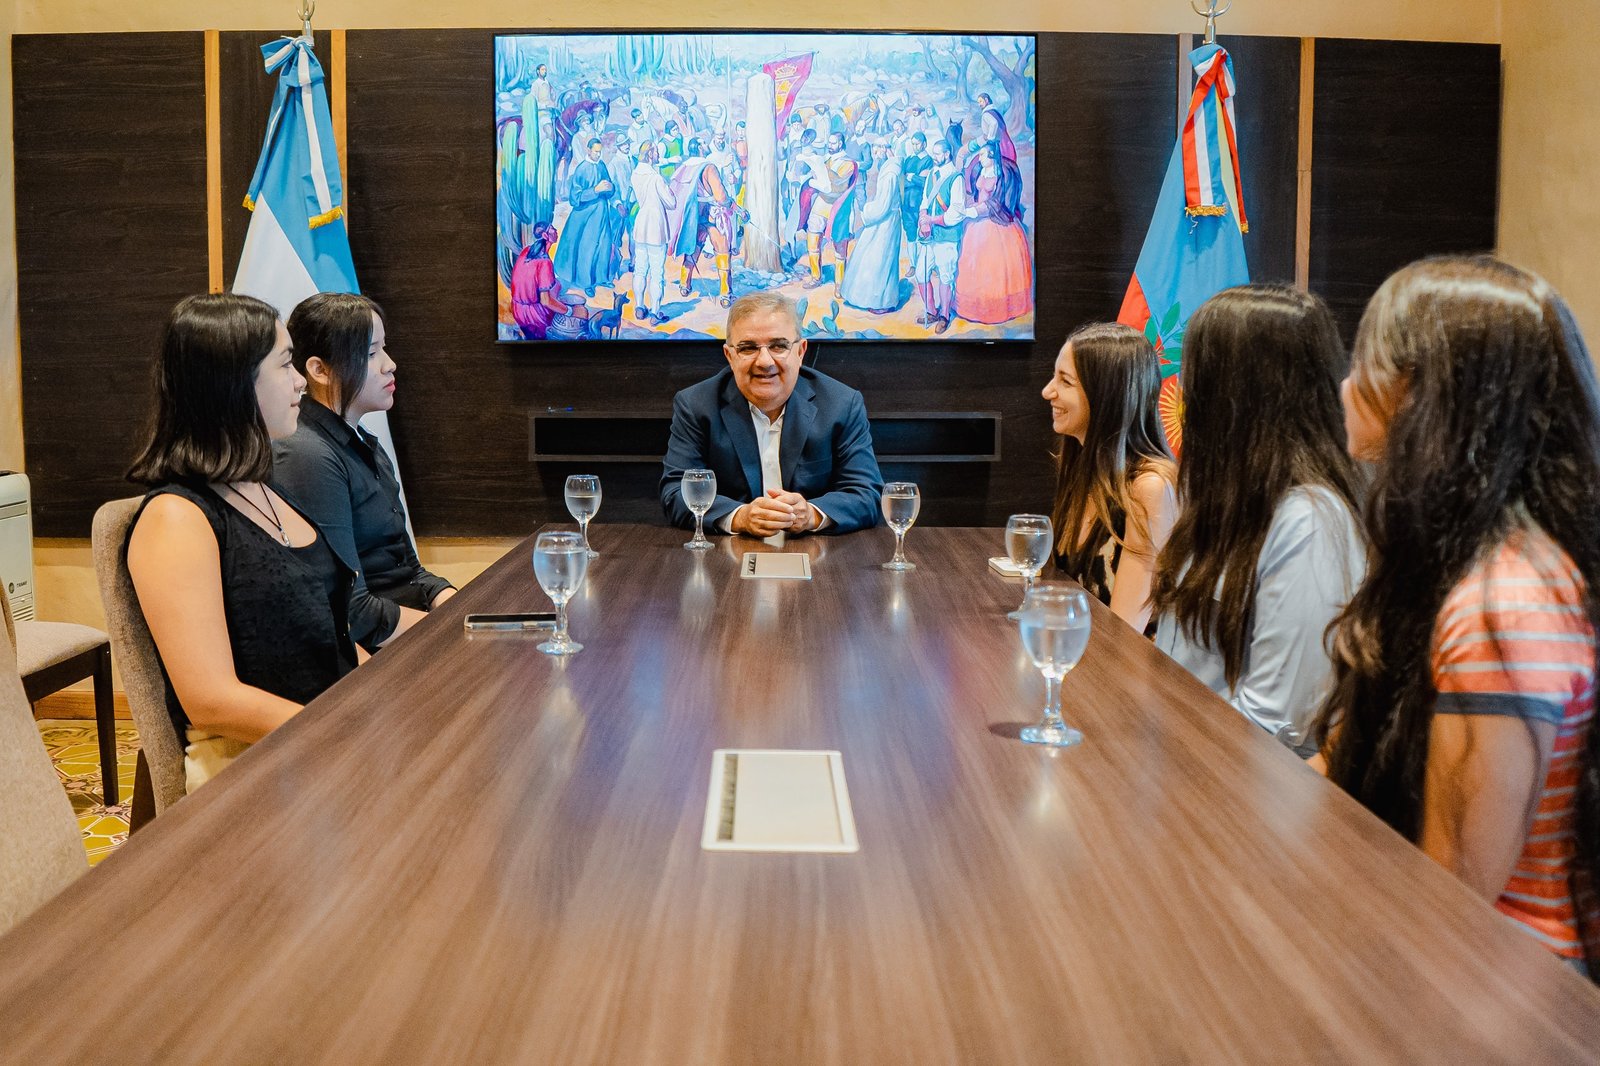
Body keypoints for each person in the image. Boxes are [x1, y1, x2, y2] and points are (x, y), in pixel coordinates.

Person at [1311, 256, 1600, 975]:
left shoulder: (1502, 607)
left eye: (1364, 363)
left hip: (1507, 991)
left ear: (1424, 395)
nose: (1344, 386)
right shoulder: (1478, 560)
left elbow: (1451, 901)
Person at [125, 293, 357, 793]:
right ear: (233, 384)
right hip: (253, 771)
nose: (301, 381)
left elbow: (328, 636)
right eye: (285, 364)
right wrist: (342, 731)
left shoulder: (261, 489)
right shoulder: (175, 519)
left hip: (320, 745)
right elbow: (210, 700)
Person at [1150, 286, 1365, 754]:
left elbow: (1276, 719)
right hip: (1180, 757)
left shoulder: (1309, 521)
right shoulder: (1226, 499)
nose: (1180, 391)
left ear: (1235, 395)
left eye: (1194, 374)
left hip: (1236, 782)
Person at [273, 292, 455, 655]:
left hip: (407, 627)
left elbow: (407, 568)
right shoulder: (307, 454)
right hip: (374, 655)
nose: (390, 365)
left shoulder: (361, 441)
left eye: (384, 349)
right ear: (319, 370)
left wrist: (452, 602)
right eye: (371, 354)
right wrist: (450, 631)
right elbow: (350, 611)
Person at [660, 291, 883, 537]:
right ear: (730, 356)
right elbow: (675, 493)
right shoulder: (696, 405)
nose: (765, 361)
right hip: (727, 553)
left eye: (778, 346)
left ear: (800, 352)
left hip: (816, 552)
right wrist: (740, 517)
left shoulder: (841, 404)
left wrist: (811, 515)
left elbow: (866, 494)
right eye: (748, 348)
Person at [1042, 322, 1177, 632]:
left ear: (1107, 395)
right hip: (1078, 648)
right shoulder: (1083, 465)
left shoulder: (1149, 487)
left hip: (1120, 659)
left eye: (1065, 381)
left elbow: (1125, 632)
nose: (1047, 391)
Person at [954, 141, 1033, 325]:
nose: (979, 157)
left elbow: (997, 202)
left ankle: (998, 309)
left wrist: (972, 211)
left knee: (996, 266)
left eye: (982, 155)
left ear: (992, 156)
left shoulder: (1002, 174)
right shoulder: (981, 170)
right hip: (978, 223)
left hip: (996, 221)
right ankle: (975, 307)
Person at [839, 140, 903, 313]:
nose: (875, 152)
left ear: (885, 149)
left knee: (881, 260)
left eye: (877, 148)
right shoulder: (889, 168)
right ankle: (870, 298)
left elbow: (884, 205)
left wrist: (866, 211)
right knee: (872, 258)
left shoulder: (890, 173)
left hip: (885, 223)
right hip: (883, 221)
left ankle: (882, 302)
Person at [552, 138, 620, 296]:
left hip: (602, 214)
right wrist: (595, 190)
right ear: (588, 150)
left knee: (603, 245)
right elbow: (575, 198)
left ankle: (602, 278)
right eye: (596, 152)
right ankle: (586, 283)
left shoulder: (601, 165)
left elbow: (609, 189)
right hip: (586, 217)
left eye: (599, 152)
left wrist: (610, 188)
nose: (598, 155)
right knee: (587, 249)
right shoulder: (582, 169)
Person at [914, 137, 964, 334]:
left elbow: (956, 213)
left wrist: (932, 220)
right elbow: (924, 201)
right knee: (921, 273)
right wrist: (922, 220)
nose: (934, 157)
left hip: (947, 237)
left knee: (945, 276)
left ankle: (944, 315)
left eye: (937, 154)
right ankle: (931, 311)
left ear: (947, 154)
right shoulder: (932, 175)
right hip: (929, 237)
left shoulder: (956, 178)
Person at [510, 222, 590, 340]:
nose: (556, 230)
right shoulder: (544, 262)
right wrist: (570, 311)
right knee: (582, 312)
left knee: (558, 284)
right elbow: (546, 301)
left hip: (518, 310)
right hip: (535, 317)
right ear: (545, 235)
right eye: (552, 228)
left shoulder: (527, 250)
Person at [630, 142, 677, 325]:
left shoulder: (635, 175)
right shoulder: (656, 178)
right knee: (657, 273)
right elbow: (671, 203)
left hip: (641, 224)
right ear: (650, 154)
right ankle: (655, 311)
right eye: (656, 152)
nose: (658, 155)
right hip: (655, 226)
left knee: (640, 269)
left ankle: (639, 306)